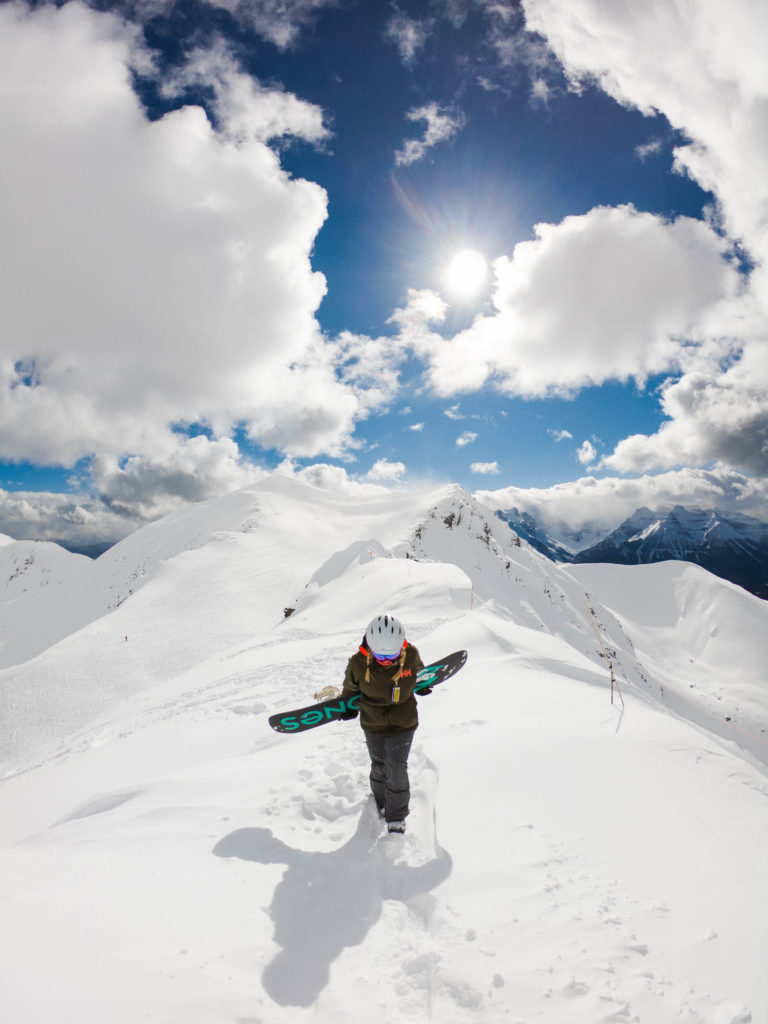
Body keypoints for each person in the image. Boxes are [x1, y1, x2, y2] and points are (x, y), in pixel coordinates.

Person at [340, 613, 425, 835]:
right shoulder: (357, 663)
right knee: (379, 766)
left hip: (404, 722)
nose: (386, 661)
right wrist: (347, 706)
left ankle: (396, 816)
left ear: (402, 646)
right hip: (373, 722)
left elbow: (421, 673)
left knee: (395, 768)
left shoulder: (412, 654)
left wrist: (424, 684)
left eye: (392, 655)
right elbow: (350, 689)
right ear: (369, 647)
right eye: (380, 656)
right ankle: (381, 801)